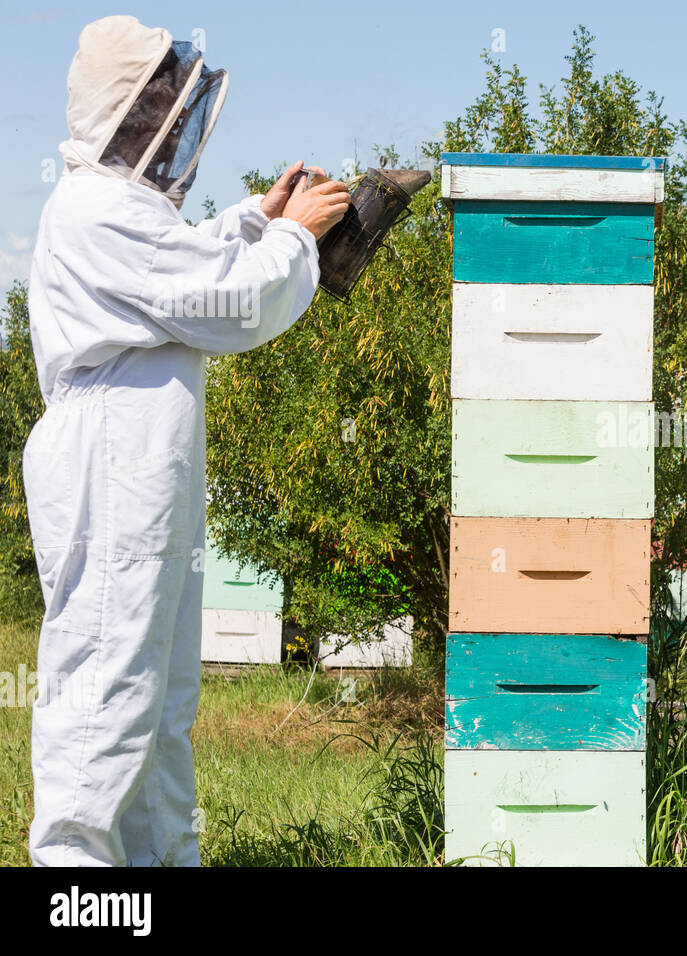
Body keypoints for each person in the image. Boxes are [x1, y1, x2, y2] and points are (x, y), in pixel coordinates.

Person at [23, 15, 349, 866]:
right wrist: (296, 235)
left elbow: (188, 269)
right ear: (128, 114)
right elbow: (225, 304)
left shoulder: (119, 211)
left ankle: (154, 871)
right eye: (159, 104)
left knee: (159, 699)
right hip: (111, 466)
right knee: (105, 688)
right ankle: (76, 887)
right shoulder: (96, 208)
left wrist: (257, 220)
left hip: (141, 467)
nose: (170, 121)